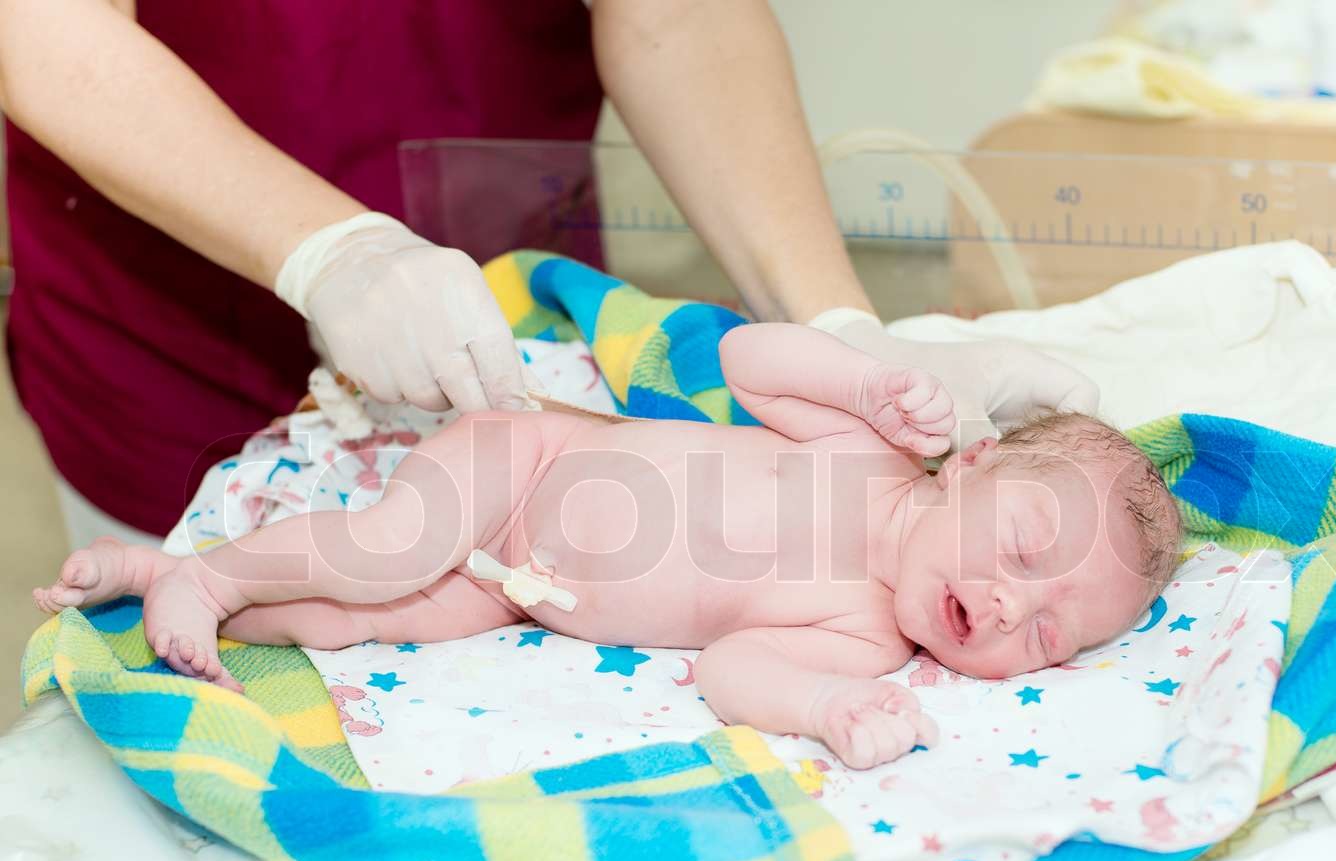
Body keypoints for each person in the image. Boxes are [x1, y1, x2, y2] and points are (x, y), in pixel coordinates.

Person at [0, 0, 1096, 551]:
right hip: (163, 314)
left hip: (516, 299)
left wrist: (836, 323)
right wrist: (327, 248)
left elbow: (676, 15)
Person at [35, 320, 1178, 769]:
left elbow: (731, 673)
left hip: (521, 595)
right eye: (1026, 547)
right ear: (970, 464)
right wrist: (867, 374)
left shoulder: (867, 636)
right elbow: (747, 364)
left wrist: (828, 712)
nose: (1006, 601)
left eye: (1048, 632)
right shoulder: (869, 447)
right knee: (384, 551)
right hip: (522, 465)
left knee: (373, 615)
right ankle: (211, 568)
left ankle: (169, 589)